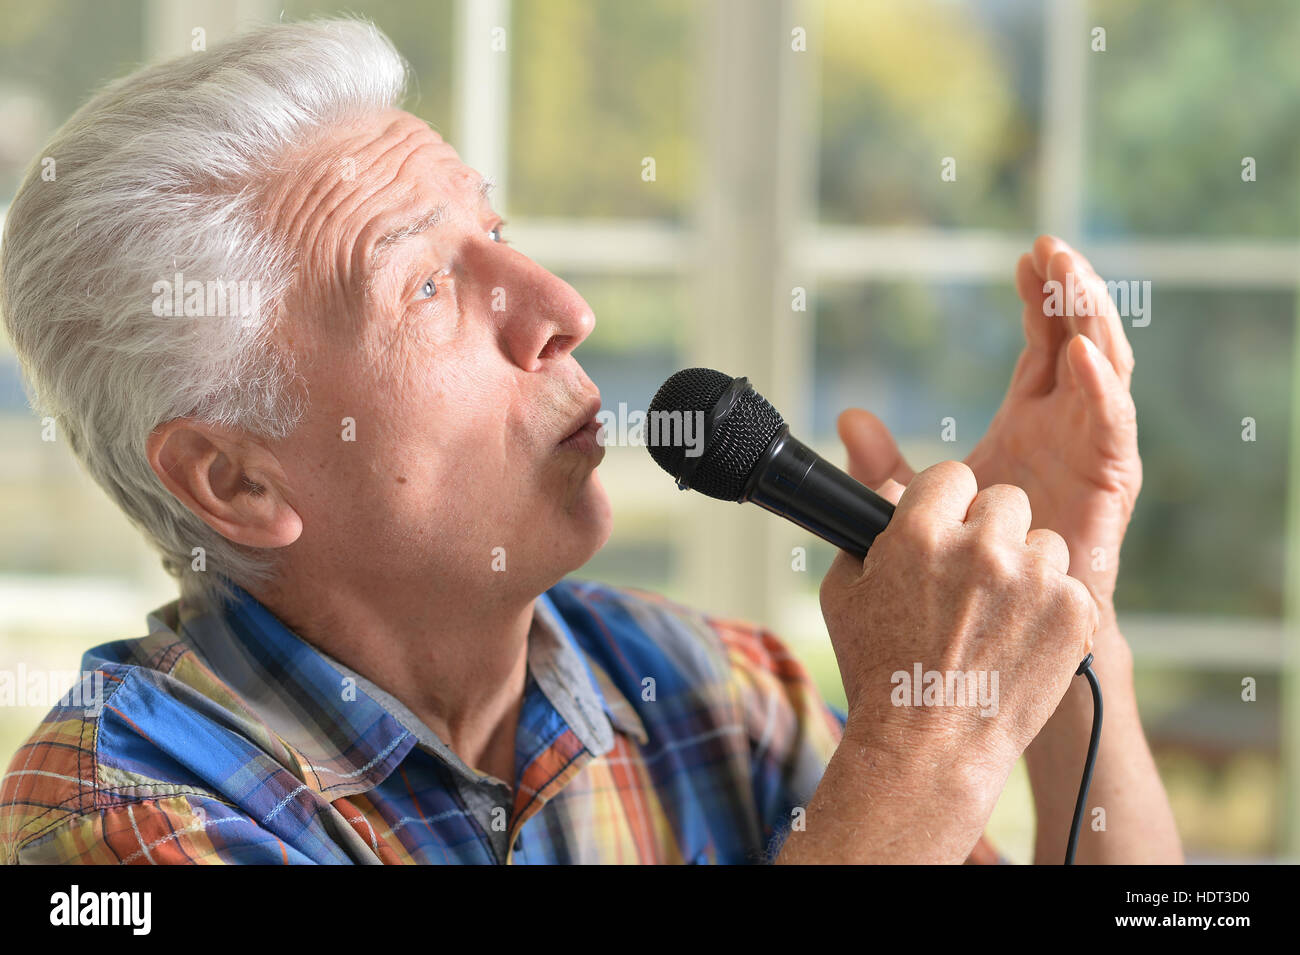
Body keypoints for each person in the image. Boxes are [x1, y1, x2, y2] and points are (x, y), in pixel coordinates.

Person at [0, 18, 1180, 864]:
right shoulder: (119, 823)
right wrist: (923, 745)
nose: (562, 305)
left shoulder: (710, 692)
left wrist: (1073, 619)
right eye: (423, 287)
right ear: (238, 479)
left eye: (499, 229)